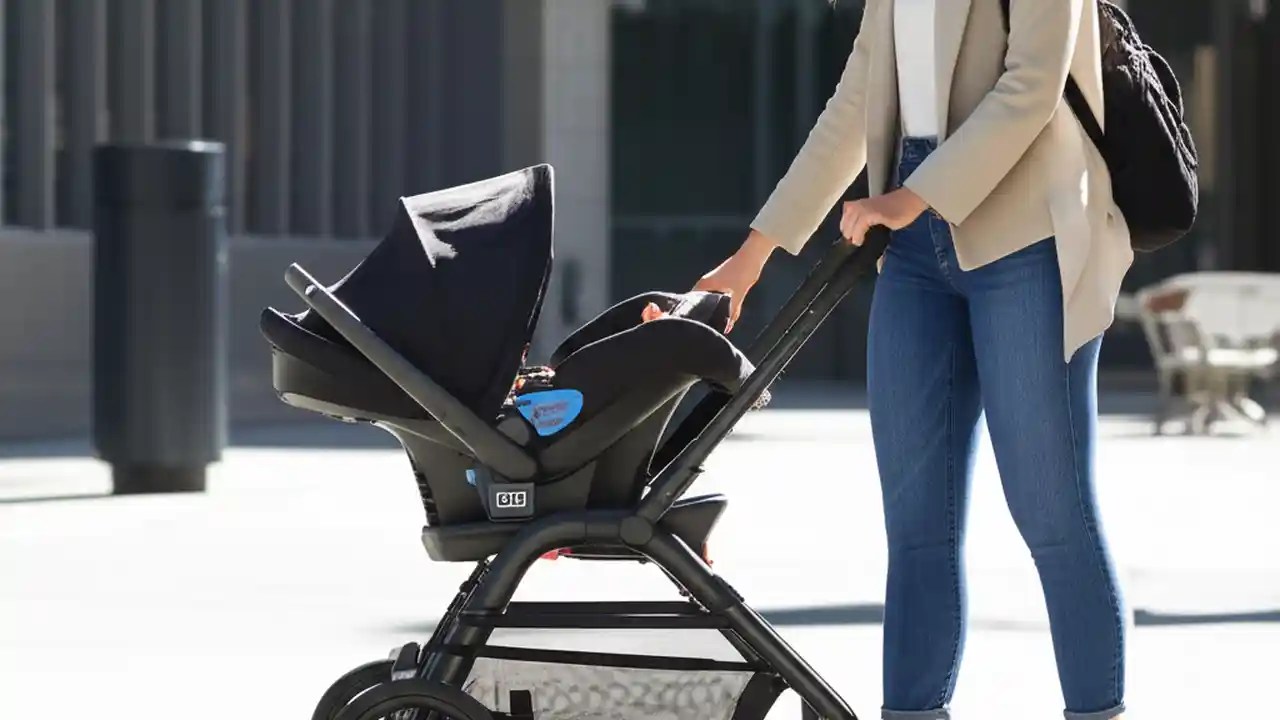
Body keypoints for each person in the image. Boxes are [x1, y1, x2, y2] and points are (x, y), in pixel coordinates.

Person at [694, 1, 1132, 718]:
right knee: (917, 527)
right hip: (914, 248)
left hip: (1027, 235)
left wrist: (911, 197)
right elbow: (856, 101)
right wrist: (752, 257)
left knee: (1054, 514)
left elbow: (1031, 85)